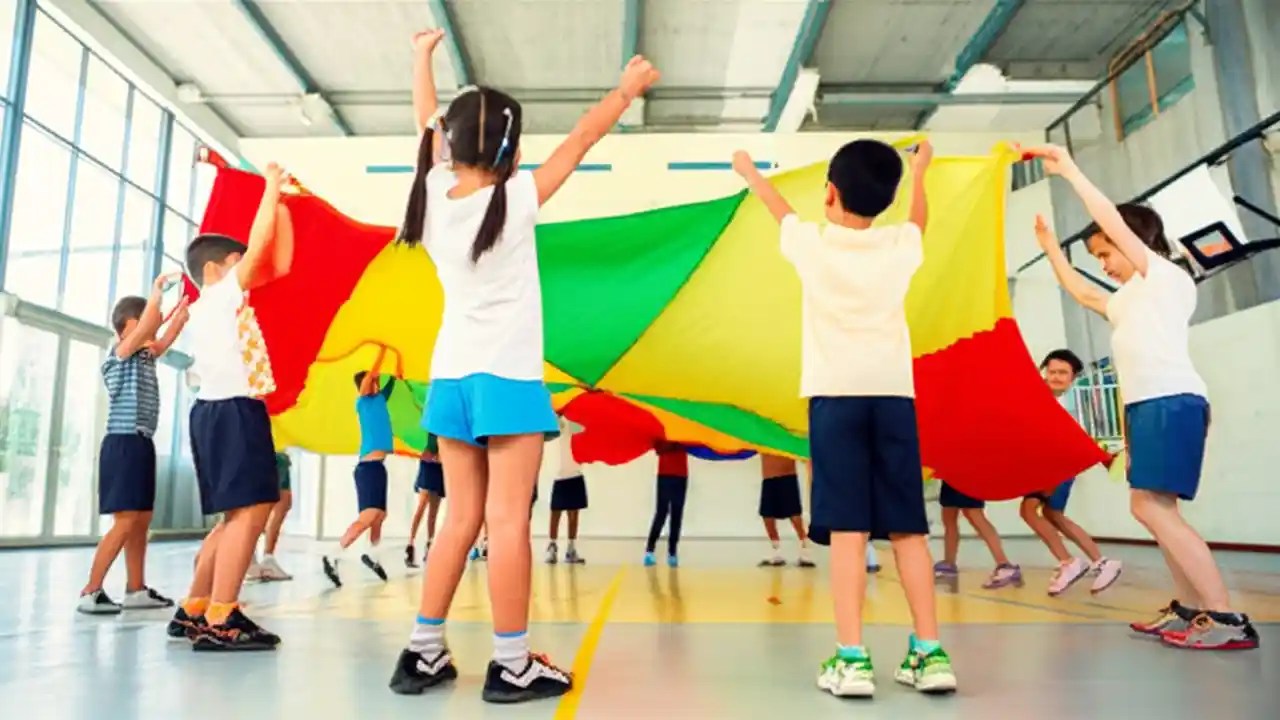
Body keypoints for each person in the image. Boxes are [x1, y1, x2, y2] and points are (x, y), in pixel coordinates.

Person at [387, 29, 660, 703]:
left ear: (450, 144)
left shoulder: (430, 196)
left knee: (459, 519)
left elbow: (426, 125)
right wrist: (625, 92)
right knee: (508, 523)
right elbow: (581, 140)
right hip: (506, 379)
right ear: (508, 149)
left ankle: (422, 652)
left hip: (450, 377)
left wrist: (421, 59)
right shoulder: (516, 199)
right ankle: (511, 663)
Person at [734, 139, 956, 696]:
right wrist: (921, 171)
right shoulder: (900, 246)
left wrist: (749, 172)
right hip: (894, 400)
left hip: (835, 401)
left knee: (850, 532)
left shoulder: (812, 243)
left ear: (829, 193)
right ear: (886, 200)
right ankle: (929, 653)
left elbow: (777, 207)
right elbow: (918, 220)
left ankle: (853, 659)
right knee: (908, 528)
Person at [1026, 143, 1257, 650]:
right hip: (1149, 407)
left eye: (1106, 253)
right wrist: (1049, 249)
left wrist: (1068, 170)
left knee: (1150, 510)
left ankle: (1225, 616)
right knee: (1156, 508)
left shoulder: (1163, 276)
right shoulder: (1128, 299)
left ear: (1132, 243)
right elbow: (1082, 293)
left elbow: (1107, 216)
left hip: (1170, 402)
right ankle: (1188, 607)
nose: (1104, 265)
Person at [165, 161, 293, 651]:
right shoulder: (219, 295)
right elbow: (260, 249)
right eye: (237, 261)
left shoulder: (212, 304)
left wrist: (282, 205)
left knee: (234, 516)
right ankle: (224, 617)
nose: (247, 267)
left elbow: (277, 262)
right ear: (216, 269)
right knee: (253, 510)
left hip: (214, 412)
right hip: (234, 410)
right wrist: (270, 188)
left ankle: (195, 608)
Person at [78, 280, 188, 614]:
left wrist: (181, 313)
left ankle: (136, 588)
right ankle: (91, 590)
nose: (152, 335)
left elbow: (163, 338)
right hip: (122, 444)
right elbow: (150, 330)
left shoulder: (144, 357)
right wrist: (157, 295)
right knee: (125, 521)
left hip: (141, 443)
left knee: (141, 519)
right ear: (128, 328)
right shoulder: (119, 355)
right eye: (143, 327)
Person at [1019, 349, 1122, 595]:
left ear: (1073, 377)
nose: (1055, 376)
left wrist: (1106, 459)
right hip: (1049, 462)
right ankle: (1101, 561)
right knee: (1053, 514)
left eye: (1062, 373)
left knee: (1029, 511)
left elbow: (1083, 439)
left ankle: (1068, 562)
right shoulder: (1038, 394)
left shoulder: (1073, 405)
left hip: (1060, 464)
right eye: (1051, 371)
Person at [323, 348, 396, 587]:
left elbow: (390, 387)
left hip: (378, 467)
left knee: (380, 516)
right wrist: (383, 352)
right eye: (373, 380)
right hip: (368, 468)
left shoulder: (378, 400)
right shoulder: (363, 401)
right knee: (367, 517)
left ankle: (371, 555)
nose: (376, 383)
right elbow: (370, 378)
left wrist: (396, 373)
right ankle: (334, 555)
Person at [933, 481, 1021, 589]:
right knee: (949, 514)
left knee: (974, 513)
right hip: (950, 476)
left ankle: (1004, 564)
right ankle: (949, 563)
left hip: (967, 474)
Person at [247, 451, 295, 582]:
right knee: (261, 504)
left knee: (283, 501)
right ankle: (249, 559)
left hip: (278, 449)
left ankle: (267, 558)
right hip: (266, 449)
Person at [757, 455, 813, 567]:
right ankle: (776, 552)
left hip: (788, 477)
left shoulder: (788, 437)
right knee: (767, 515)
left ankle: (805, 550)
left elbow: (803, 452)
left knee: (794, 514)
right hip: (768, 478)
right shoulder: (763, 439)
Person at [547, 419, 587, 564]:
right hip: (560, 476)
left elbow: (584, 428)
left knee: (574, 514)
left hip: (576, 473)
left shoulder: (579, 424)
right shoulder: (560, 423)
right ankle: (552, 547)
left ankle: (571, 549)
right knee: (555, 513)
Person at [644, 441, 689, 568]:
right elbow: (658, 449)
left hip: (681, 475)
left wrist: (677, 444)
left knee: (677, 514)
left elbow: (689, 444)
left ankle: (672, 553)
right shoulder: (662, 431)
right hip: (665, 475)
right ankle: (649, 550)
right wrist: (674, 444)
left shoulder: (685, 431)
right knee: (661, 513)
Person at [407, 436, 445, 569]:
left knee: (433, 511)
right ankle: (410, 544)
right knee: (422, 506)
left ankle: (429, 546)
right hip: (429, 463)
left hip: (440, 466)